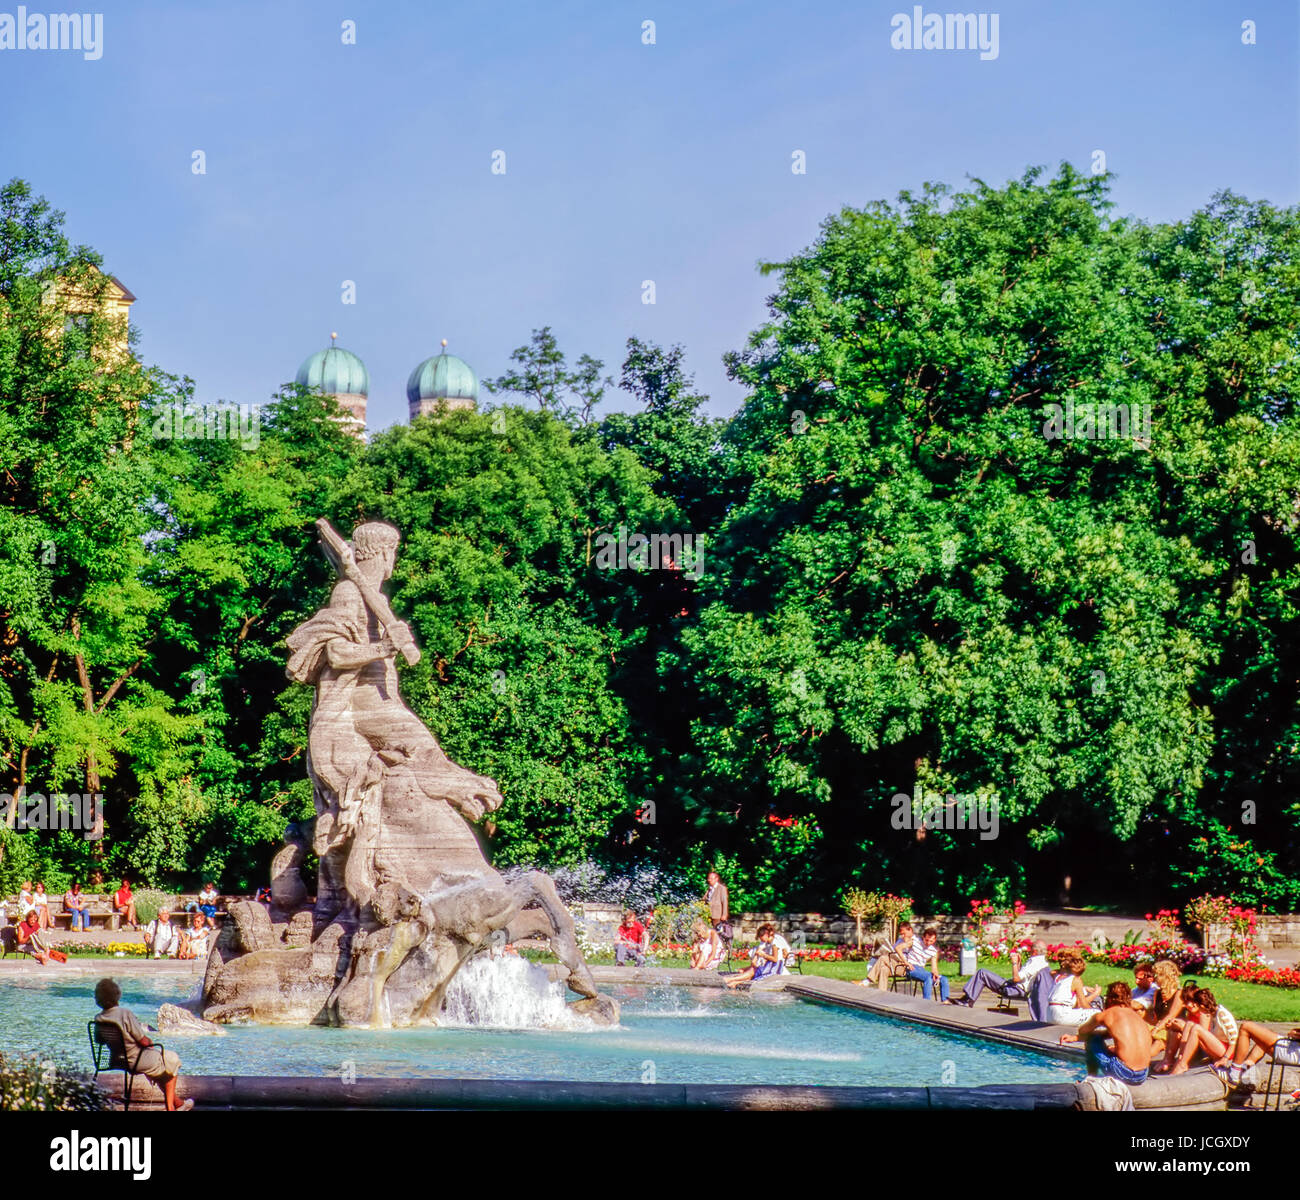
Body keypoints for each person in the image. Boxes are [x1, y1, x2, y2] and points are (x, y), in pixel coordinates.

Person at [93, 978, 194, 1112]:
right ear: (116, 995)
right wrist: (150, 1043)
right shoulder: (125, 1014)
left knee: (158, 1067)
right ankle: (171, 1108)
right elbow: (143, 1040)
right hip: (135, 1060)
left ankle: (179, 1104)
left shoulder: (99, 1018)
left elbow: (99, 1041)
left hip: (116, 1060)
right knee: (171, 1059)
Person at [1060, 981, 1152, 1087]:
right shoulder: (1137, 1016)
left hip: (1123, 1073)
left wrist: (1078, 1036)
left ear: (1109, 998)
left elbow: (1084, 1031)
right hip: (1142, 1075)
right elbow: (1114, 1034)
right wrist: (1075, 1038)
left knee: (1092, 1039)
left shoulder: (1106, 1014)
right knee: (1101, 1042)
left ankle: (1090, 1080)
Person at [950, 939, 1049, 1007]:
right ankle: (968, 999)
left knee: (982, 973)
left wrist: (1014, 963)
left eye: (1031, 949)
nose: (1029, 951)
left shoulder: (1034, 962)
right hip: (1019, 988)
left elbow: (1016, 979)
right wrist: (1019, 963)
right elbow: (1022, 977)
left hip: (1015, 990)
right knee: (983, 973)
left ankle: (968, 1000)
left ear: (1035, 951)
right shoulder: (1042, 962)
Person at [1163, 987, 1236, 1076]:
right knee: (1189, 1024)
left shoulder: (1222, 1014)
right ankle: (1180, 1060)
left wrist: (1225, 1058)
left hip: (1227, 1051)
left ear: (1201, 1006)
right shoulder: (1212, 1013)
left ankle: (1183, 1064)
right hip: (1218, 1046)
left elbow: (1234, 1041)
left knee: (1196, 1028)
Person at [1212, 1023, 1300, 1088]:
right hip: (1293, 1048)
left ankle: (1234, 1073)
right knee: (1262, 1038)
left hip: (1293, 1054)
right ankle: (1244, 1069)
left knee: (1246, 1027)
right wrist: (1296, 1032)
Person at [725, 922, 790, 988]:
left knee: (756, 975)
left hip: (775, 967)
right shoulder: (768, 942)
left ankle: (732, 980)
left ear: (767, 935)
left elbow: (775, 959)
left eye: (762, 937)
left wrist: (763, 955)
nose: (761, 940)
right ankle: (734, 982)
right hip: (769, 965)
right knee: (754, 972)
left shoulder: (775, 944)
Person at [1047, 953, 1101, 1025]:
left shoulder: (1060, 978)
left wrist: (1083, 988)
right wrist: (1095, 994)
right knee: (1097, 1014)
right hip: (1061, 1014)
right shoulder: (1076, 979)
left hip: (1049, 1014)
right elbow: (1082, 1004)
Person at [858, 922, 916, 989]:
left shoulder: (914, 941)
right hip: (895, 964)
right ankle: (882, 995)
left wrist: (905, 942)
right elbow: (893, 950)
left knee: (883, 958)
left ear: (910, 930)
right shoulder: (900, 940)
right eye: (901, 934)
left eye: (904, 934)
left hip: (905, 967)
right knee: (883, 969)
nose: (902, 936)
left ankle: (867, 980)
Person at [705, 871, 730, 949]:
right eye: (709, 878)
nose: (709, 880)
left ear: (716, 879)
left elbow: (724, 901)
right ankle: (712, 947)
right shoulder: (709, 889)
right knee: (710, 932)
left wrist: (724, 914)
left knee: (719, 931)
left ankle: (722, 947)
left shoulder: (721, 888)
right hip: (709, 914)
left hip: (718, 914)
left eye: (711, 878)